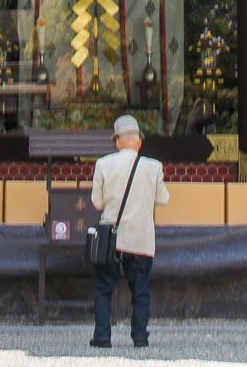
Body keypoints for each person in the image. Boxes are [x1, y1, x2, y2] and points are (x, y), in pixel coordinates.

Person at [89, 114, 170, 349]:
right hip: (141, 238)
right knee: (141, 289)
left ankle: (103, 336)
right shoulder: (154, 167)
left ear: (117, 141)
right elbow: (163, 199)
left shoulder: (103, 164)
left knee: (104, 288)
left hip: (111, 238)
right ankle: (140, 337)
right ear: (139, 142)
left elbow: (97, 203)